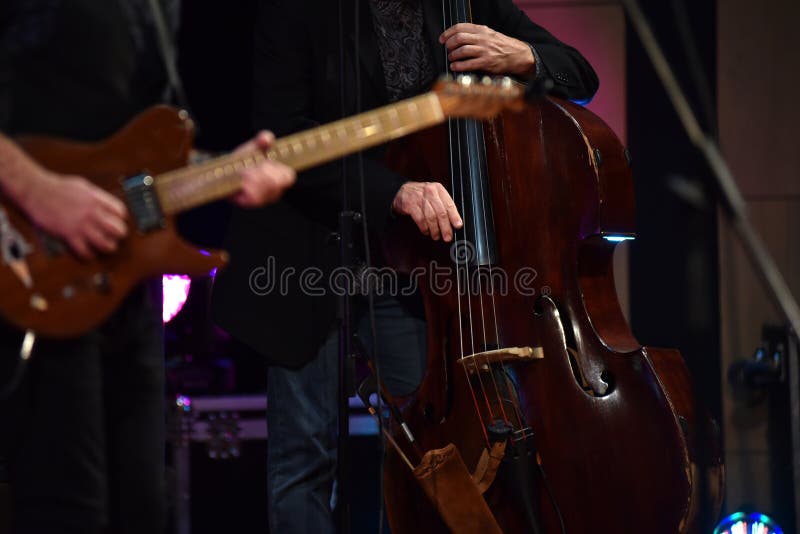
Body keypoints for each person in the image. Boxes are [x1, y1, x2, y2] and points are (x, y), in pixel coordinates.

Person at [211, 0, 598, 531]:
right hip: (306, 259)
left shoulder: (461, 2)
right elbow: (283, 142)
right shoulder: (297, 12)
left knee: (430, 456)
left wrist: (524, 55)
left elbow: (581, 74)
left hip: (412, 271)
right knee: (304, 462)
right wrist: (394, 192)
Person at [0, 1, 295, 532]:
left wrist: (222, 171)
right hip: (27, 266)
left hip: (120, 286)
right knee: (67, 507)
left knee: (142, 507)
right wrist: (39, 191)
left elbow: (135, 156)